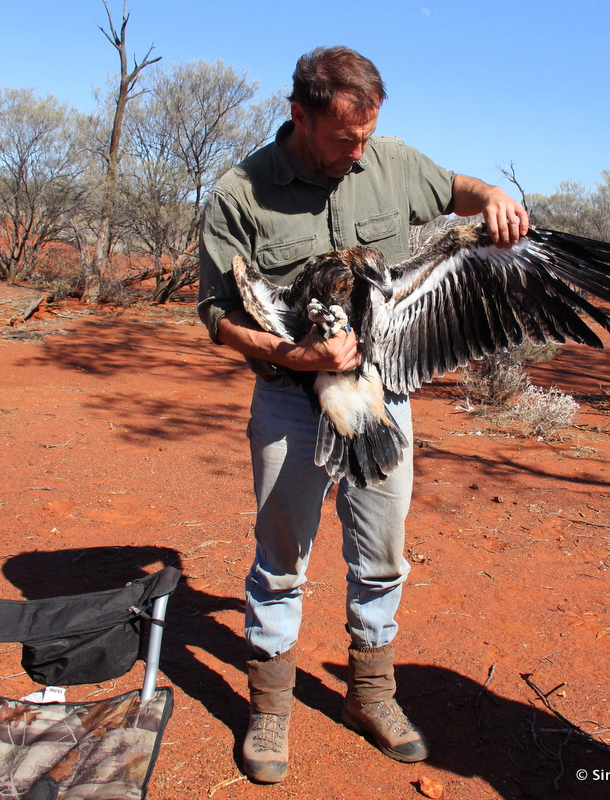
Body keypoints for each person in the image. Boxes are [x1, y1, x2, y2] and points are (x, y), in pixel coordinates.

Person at [197, 45, 529, 784]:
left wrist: (495, 203)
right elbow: (217, 314)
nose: (359, 150)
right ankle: (272, 707)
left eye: (369, 134)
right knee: (281, 558)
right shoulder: (241, 192)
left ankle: (371, 693)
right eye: (345, 137)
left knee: (382, 556)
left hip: (381, 394)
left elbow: (455, 192)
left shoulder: (391, 162)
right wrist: (299, 360)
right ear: (300, 115)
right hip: (289, 393)